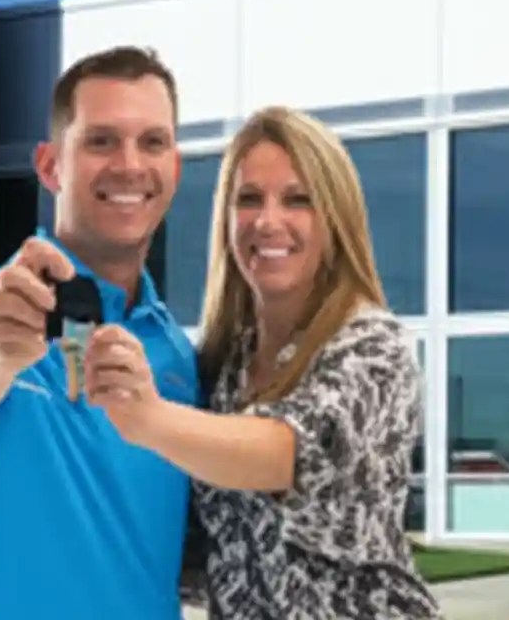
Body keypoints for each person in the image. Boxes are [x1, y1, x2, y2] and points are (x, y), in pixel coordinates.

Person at [83, 106, 443, 619]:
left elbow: (288, 455)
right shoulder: (225, 367)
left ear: (336, 219)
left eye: (298, 200)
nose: (268, 221)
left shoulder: (374, 351)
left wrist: (147, 416)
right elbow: (187, 544)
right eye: (248, 199)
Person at [0, 45, 201, 620]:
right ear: (49, 165)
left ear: (175, 169)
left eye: (153, 141)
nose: (130, 164)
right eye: (101, 140)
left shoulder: (179, 356)